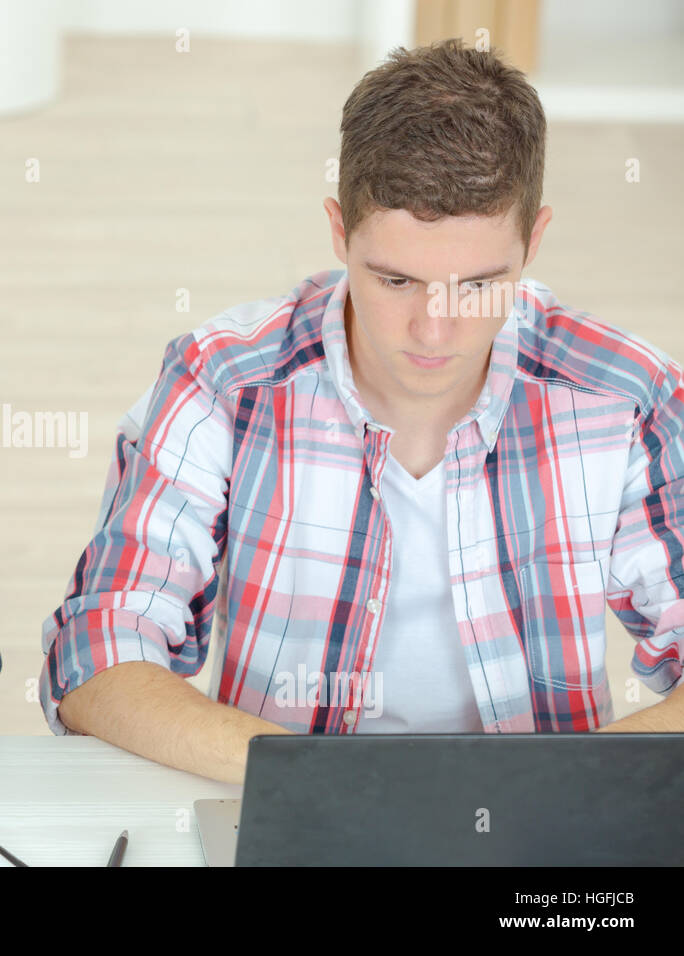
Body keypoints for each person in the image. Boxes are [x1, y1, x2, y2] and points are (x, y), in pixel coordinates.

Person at [39, 38, 684, 784]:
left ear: (533, 241)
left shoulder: (623, 397)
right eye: (397, 280)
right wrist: (320, 783)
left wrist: (554, 792)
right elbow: (95, 656)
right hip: (288, 805)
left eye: (478, 285)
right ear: (339, 232)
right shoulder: (223, 383)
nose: (435, 331)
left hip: (537, 844)